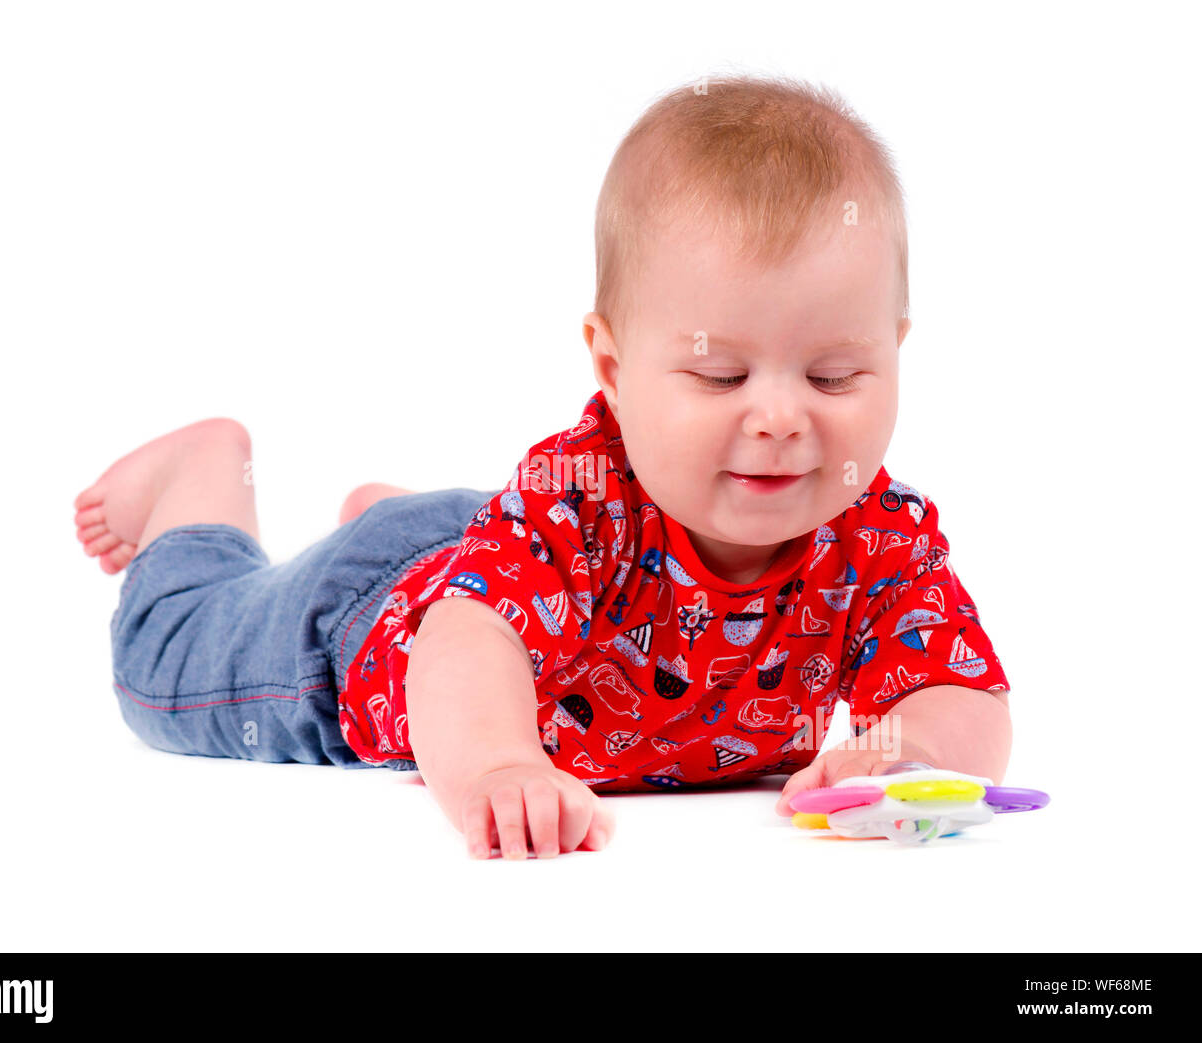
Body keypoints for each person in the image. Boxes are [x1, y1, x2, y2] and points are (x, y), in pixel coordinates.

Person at [74, 74, 1011, 861]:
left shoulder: (880, 537)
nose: (780, 419)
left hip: (489, 547)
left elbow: (963, 686)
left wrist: (914, 751)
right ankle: (200, 484)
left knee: (494, 561)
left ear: (894, 351)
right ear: (613, 369)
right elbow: (468, 640)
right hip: (371, 629)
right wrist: (497, 764)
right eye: (721, 375)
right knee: (164, 668)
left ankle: (398, 520)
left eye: (834, 375)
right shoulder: (579, 500)